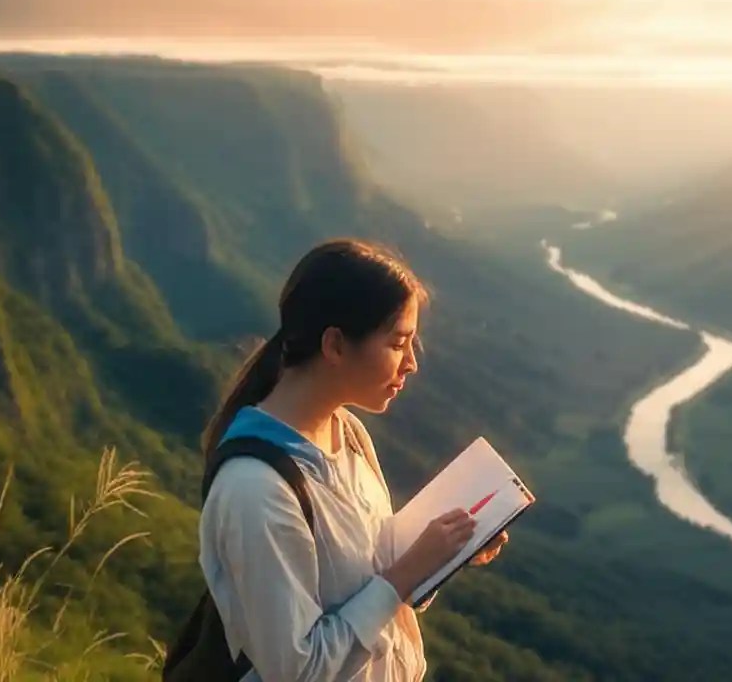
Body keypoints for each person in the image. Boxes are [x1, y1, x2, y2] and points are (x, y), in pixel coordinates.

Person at [198, 238, 508, 681]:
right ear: (336, 346)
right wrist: (406, 574)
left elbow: (366, 576)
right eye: (399, 343)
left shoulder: (348, 433)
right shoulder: (255, 490)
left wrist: (444, 552)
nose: (412, 364)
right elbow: (298, 671)